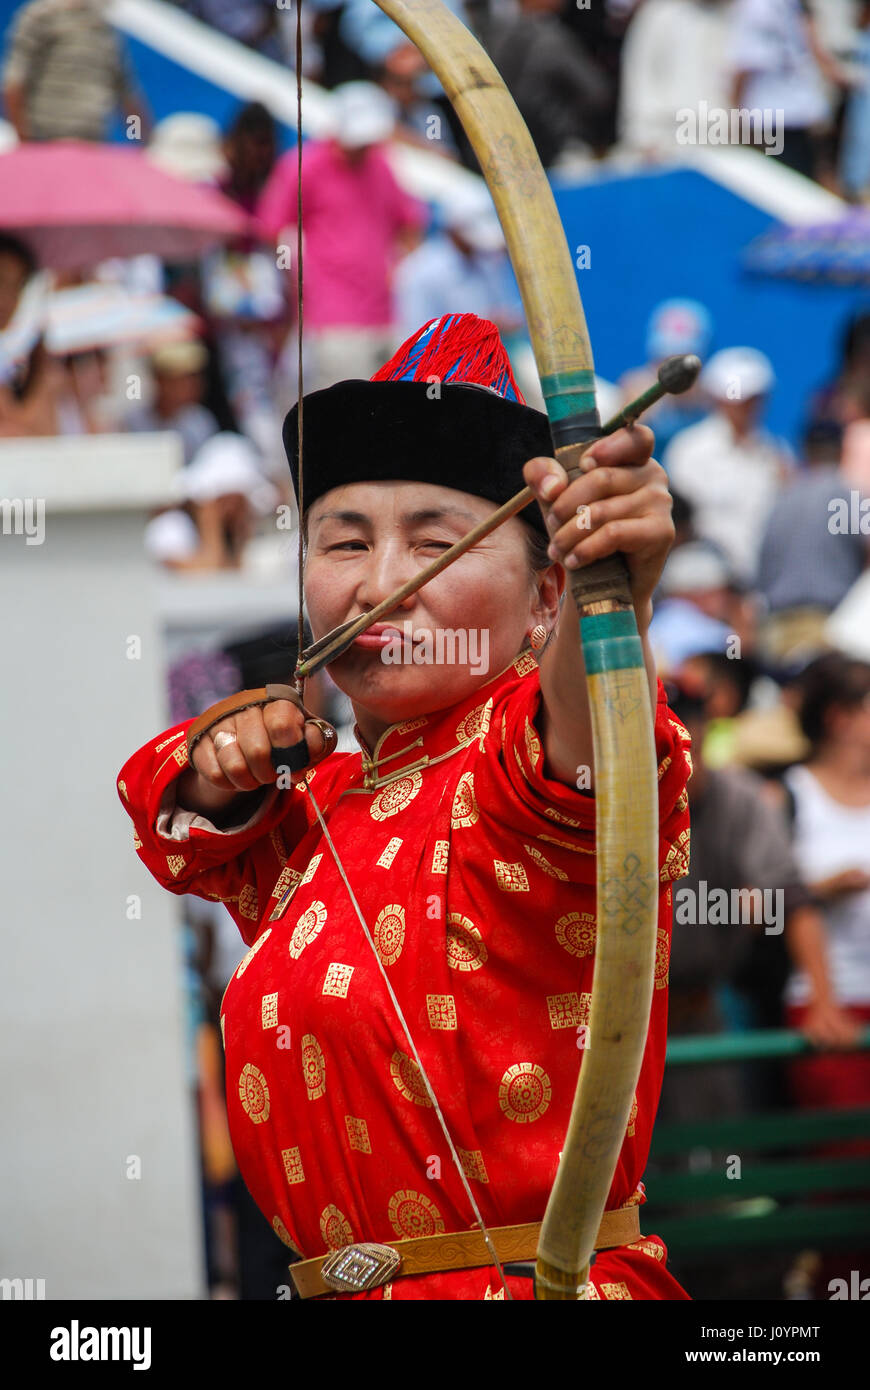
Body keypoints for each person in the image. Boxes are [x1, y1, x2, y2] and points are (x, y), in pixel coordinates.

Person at [117, 312, 692, 1301]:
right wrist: (223, 756)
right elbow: (172, 818)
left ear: (548, 596)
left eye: (437, 541)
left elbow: (595, 745)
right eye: (343, 543)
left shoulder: (524, 763)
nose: (383, 586)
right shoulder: (322, 800)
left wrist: (615, 595)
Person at [257, 82, 426, 392]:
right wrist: (296, 277)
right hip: (332, 319)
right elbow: (271, 229)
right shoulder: (304, 165)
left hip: (384, 317)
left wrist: (400, 268)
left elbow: (411, 222)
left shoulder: (381, 164)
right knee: (344, 416)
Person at [664, 346, 793, 585]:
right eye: (742, 397)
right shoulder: (688, 450)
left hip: (759, 587)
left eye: (756, 398)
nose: (750, 406)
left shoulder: (776, 454)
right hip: (700, 587)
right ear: (718, 397)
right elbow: (682, 526)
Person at [2, 0, 148, 143]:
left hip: (92, 146)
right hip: (45, 142)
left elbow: (127, 97)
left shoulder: (105, 28)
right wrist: (24, 142)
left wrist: (141, 142)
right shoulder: (41, 15)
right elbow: (14, 84)